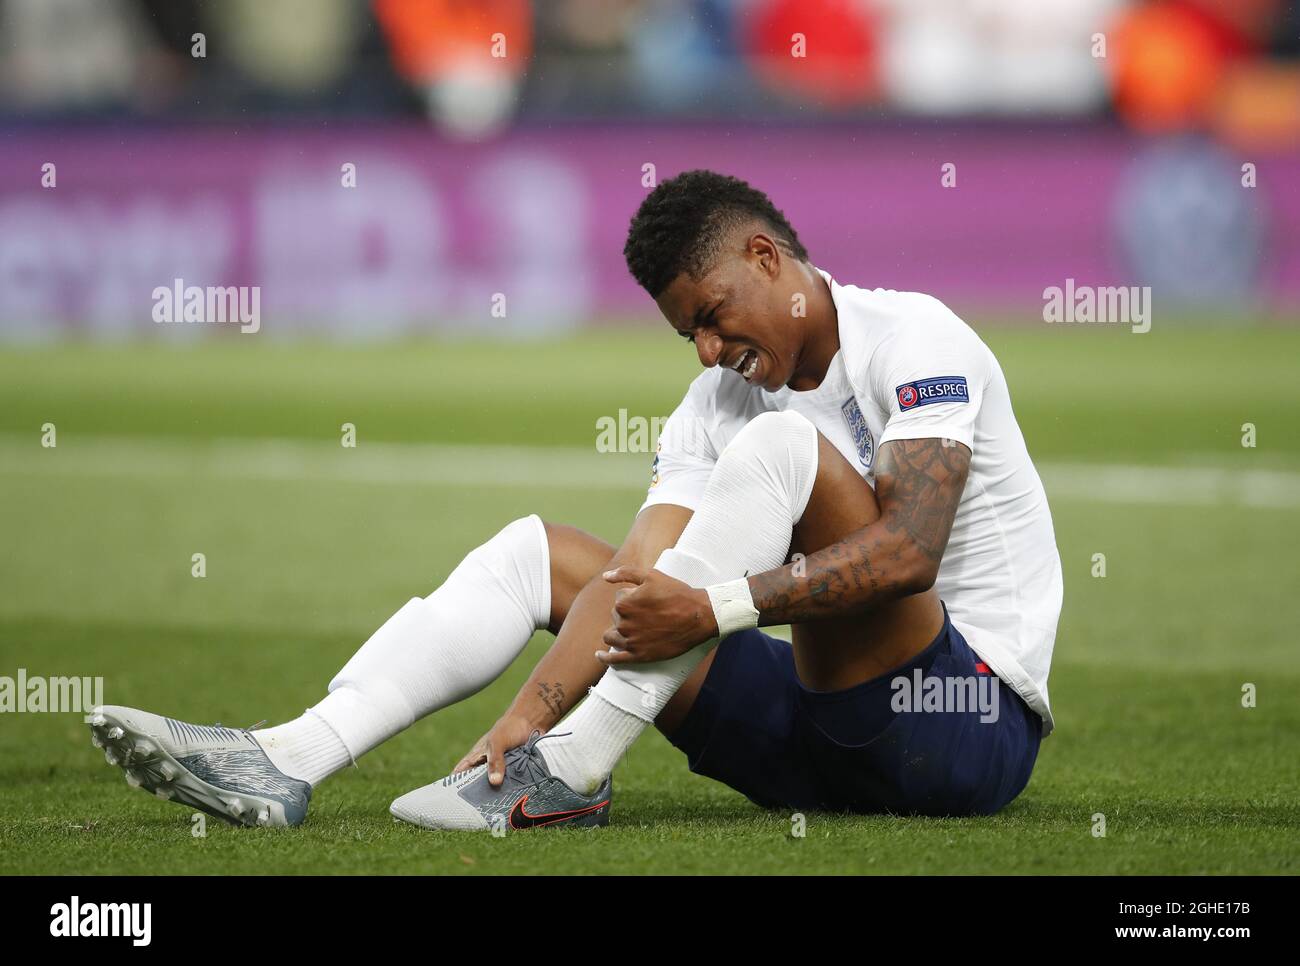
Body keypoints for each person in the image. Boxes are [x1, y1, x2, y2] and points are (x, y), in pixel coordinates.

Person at [89, 170, 1062, 830]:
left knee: (780, 449)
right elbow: (641, 581)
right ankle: (290, 757)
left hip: (960, 725)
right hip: (810, 745)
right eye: (689, 334)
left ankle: (581, 762)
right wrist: (536, 707)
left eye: (713, 317)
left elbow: (910, 552)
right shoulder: (709, 404)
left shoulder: (913, 340)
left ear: (767, 258)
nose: (709, 352)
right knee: (541, 554)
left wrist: (718, 609)